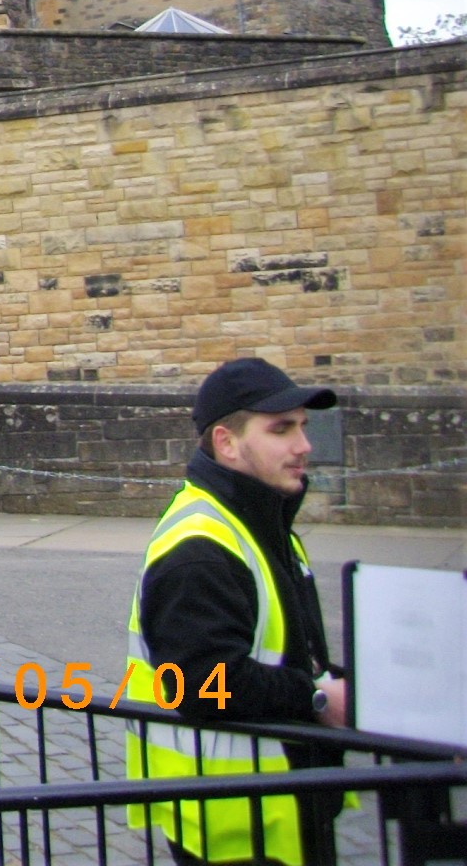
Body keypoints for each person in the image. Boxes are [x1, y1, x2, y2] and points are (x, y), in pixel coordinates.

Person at [124, 358, 347, 866]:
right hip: (237, 826)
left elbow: (297, 653)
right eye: (281, 429)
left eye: (303, 427)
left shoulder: (260, 522)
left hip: (282, 805)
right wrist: (316, 699)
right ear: (226, 442)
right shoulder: (202, 546)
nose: (304, 446)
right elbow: (202, 683)